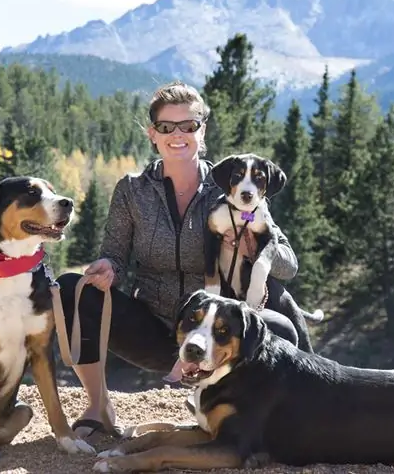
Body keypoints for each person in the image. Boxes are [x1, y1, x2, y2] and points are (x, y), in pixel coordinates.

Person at [55, 81, 301, 439]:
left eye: (189, 125)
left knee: (278, 307)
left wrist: (252, 250)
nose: (178, 135)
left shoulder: (234, 184)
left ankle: (280, 410)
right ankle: (98, 406)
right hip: (155, 330)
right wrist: (109, 267)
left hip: (219, 336)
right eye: (167, 127)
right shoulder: (132, 189)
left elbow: (288, 264)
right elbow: (114, 254)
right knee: (71, 288)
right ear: (153, 134)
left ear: (203, 130)